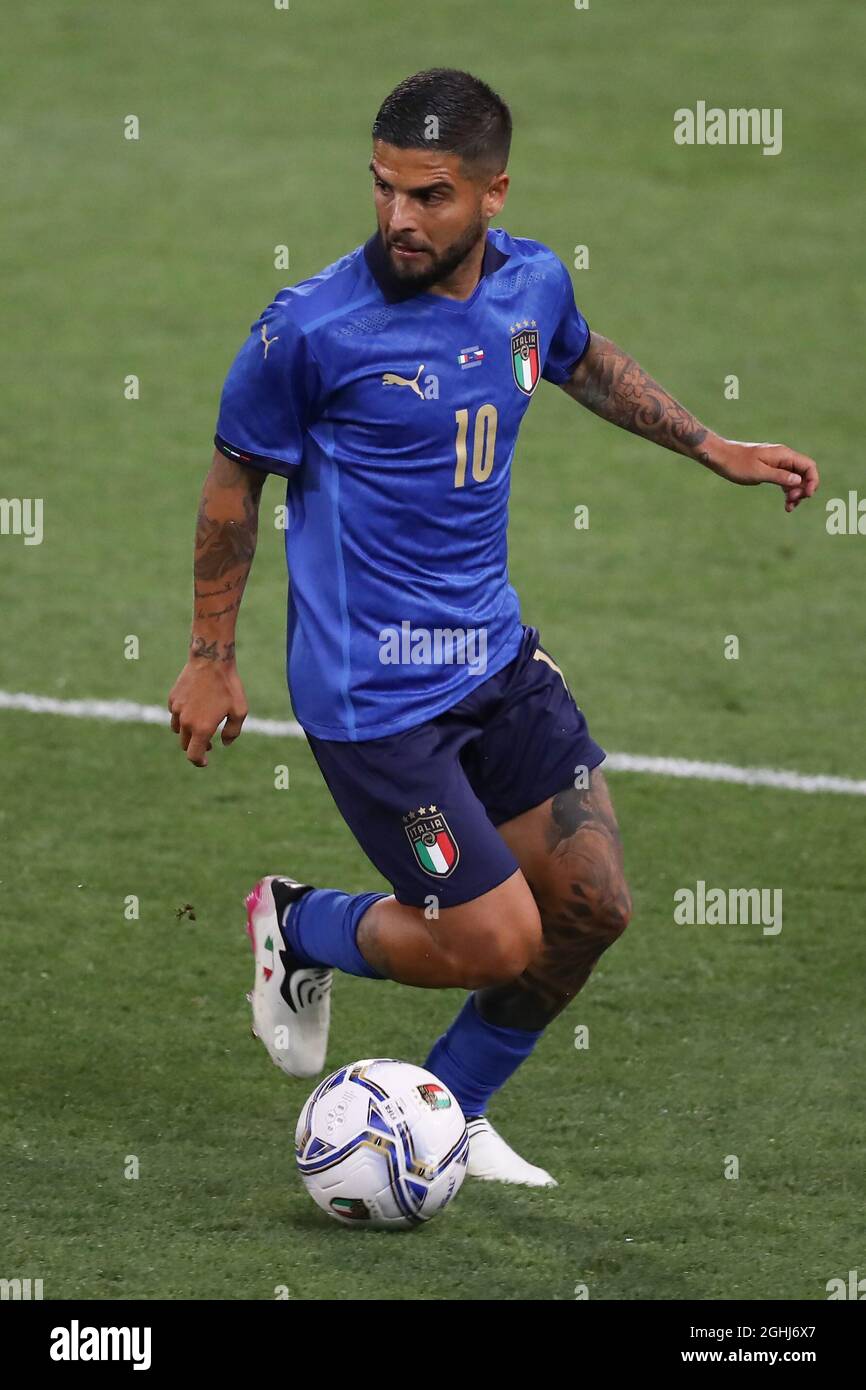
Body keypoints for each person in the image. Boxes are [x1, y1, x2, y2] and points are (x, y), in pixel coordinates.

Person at [169, 69, 818, 1186]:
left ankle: (453, 1111)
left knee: (590, 906)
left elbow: (576, 355)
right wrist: (208, 655)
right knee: (494, 939)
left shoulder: (531, 282)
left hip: (495, 661)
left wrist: (706, 443)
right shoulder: (310, 329)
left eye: (428, 196)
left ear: (493, 193)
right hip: (376, 706)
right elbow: (235, 481)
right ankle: (298, 923)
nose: (397, 219)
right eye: (381, 190)